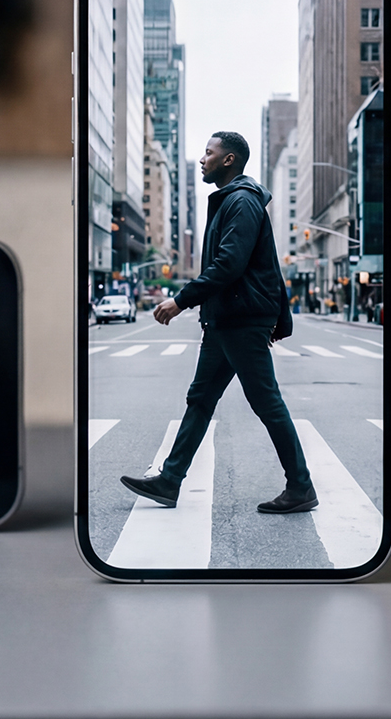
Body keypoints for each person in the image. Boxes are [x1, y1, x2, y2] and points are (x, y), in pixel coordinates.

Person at [123, 132, 316, 515]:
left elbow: (230, 264)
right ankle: (170, 479)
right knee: (200, 400)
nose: (202, 159)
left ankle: (301, 486)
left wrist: (180, 300)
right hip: (225, 319)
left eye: (209, 153)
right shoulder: (232, 200)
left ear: (228, 160)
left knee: (266, 402)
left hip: (240, 319)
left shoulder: (242, 202)